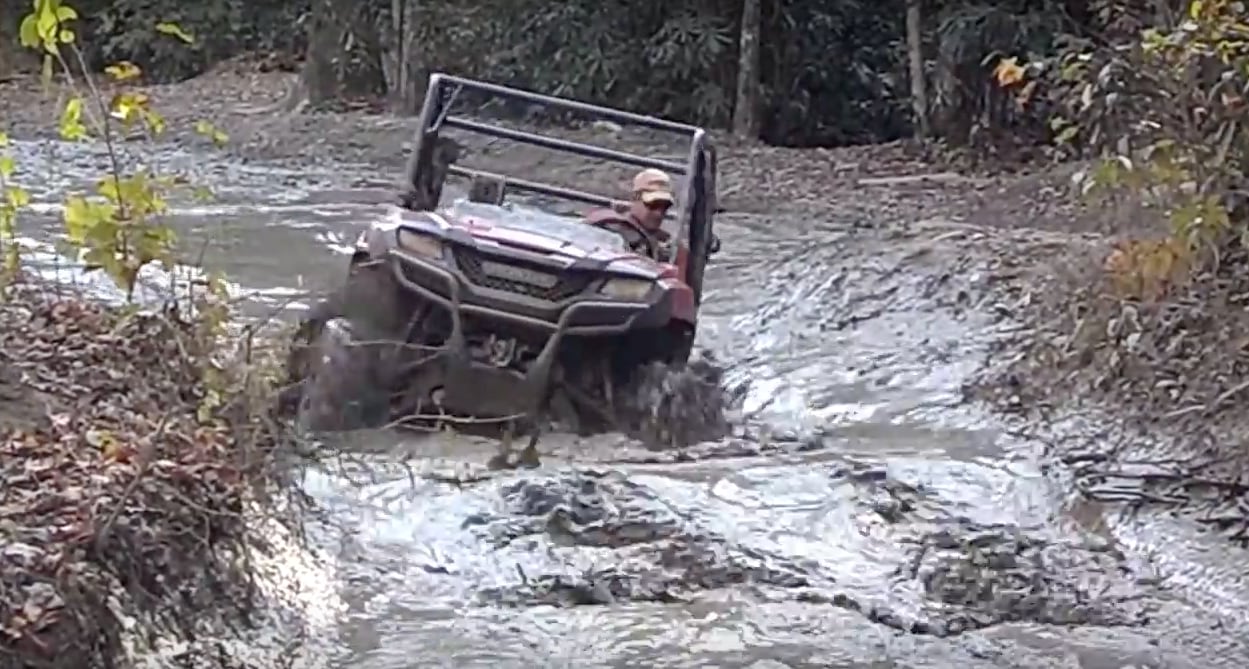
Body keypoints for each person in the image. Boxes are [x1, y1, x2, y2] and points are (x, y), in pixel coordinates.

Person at [586, 168, 675, 258]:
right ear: (634, 198)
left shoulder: (666, 242)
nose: (659, 213)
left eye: (665, 206)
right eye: (654, 205)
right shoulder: (612, 229)